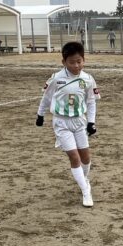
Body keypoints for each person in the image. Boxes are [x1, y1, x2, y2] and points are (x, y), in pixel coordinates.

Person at [35, 41, 100, 207]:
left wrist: (91, 122)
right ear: (63, 62)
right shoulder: (56, 78)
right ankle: (86, 191)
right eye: (71, 62)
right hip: (61, 122)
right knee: (74, 156)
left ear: (84, 60)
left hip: (79, 121)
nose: (76, 65)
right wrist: (40, 115)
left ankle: (84, 180)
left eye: (79, 61)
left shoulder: (88, 79)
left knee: (85, 157)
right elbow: (46, 98)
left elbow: (91, 102)